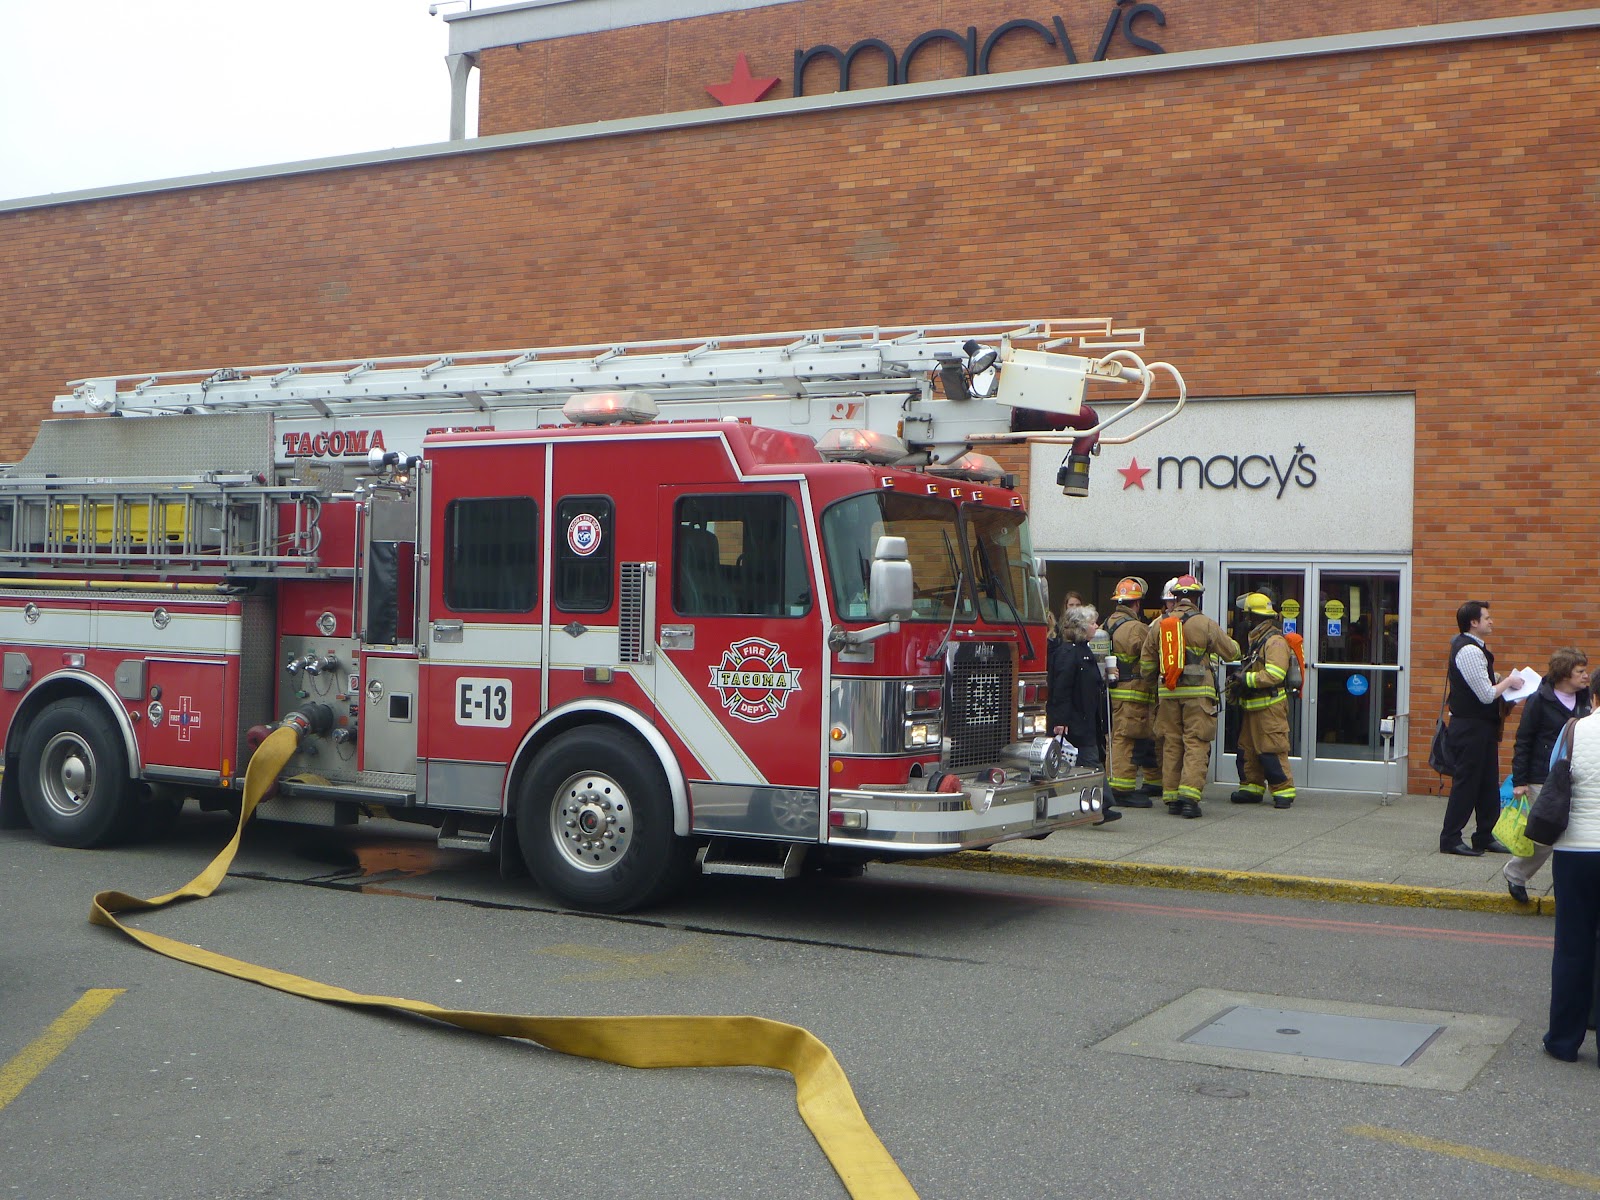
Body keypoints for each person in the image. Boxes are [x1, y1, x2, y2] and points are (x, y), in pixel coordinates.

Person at [1140, 575, 1239, 819]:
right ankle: (1189, 799)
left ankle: (1172, 798)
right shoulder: (1204, 623)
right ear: (1196, 598)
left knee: (1172, 743)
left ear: (1175, 597)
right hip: (1198, 695)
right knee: (1196, 742)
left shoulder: (1160, 624)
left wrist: (1157, 683)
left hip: (1168, 693)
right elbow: (1231, 652)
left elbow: (1146, 666)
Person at [1505, 648, 1592, 902]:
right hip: (1542, 777)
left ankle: (1569, 888)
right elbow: (1524, 740)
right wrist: (1519, 781)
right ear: (1565, 674)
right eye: (1580, 671)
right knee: (1545, 835)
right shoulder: (1539, 700)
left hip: (1578, 775)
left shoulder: (1586, 698)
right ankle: (1515, 875)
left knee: (1575, 833)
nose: (1586, 676)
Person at [1541, 702, 1600, 1062]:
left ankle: (1563, 1041)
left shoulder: (1573, 730)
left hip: (1575, 850)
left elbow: (1554, 775)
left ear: (1594, 696)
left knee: (1572, 947)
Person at [1439, 600, 1517, 857]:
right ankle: (1450, 838)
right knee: (1467, 783)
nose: (1491, 621)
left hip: (1481, 726)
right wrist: (1508, 682)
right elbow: (1485, 694)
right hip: (1470, 727)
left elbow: (1483, 683)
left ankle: (1485, 835)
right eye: (1487, 617)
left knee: (1486, 782)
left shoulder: (1476, 649)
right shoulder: (1470, 650)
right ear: (1473, 622)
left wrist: (1501, 682)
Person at [1228, 592, 1299, 809]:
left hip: (1269, 706)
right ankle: (1251, 787)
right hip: (1254, 707)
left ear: (1253, 616)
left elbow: (1275, 675)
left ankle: (1283, 791)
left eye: (1246, 615)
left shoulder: (1274, 641)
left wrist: (1246, 678)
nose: (1244, 620)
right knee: (1246, 749)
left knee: (1272, 749)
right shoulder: (1257, 639)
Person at [1050, 603, 1117, 824]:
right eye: (1092, 622)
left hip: (1086, 719)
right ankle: (1102, 805)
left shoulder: (1083, 651)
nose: (1096, 626)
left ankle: (1098, 806)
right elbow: (1061, 689)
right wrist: (1060, 720)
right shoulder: (1069, 653)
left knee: (1087, 762)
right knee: (1090, 762)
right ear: (1080, 627)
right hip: (1076, 719)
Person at [1103, 576, 1157, 808]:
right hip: (1133, 694)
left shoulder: (1105, 625)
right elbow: (1151, 658)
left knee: (1115, 739)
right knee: (1127, 740)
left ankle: (1115, 783)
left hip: (1113, 694)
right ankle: (1122, 790)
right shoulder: (1137, 628)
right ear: (1136, 604)